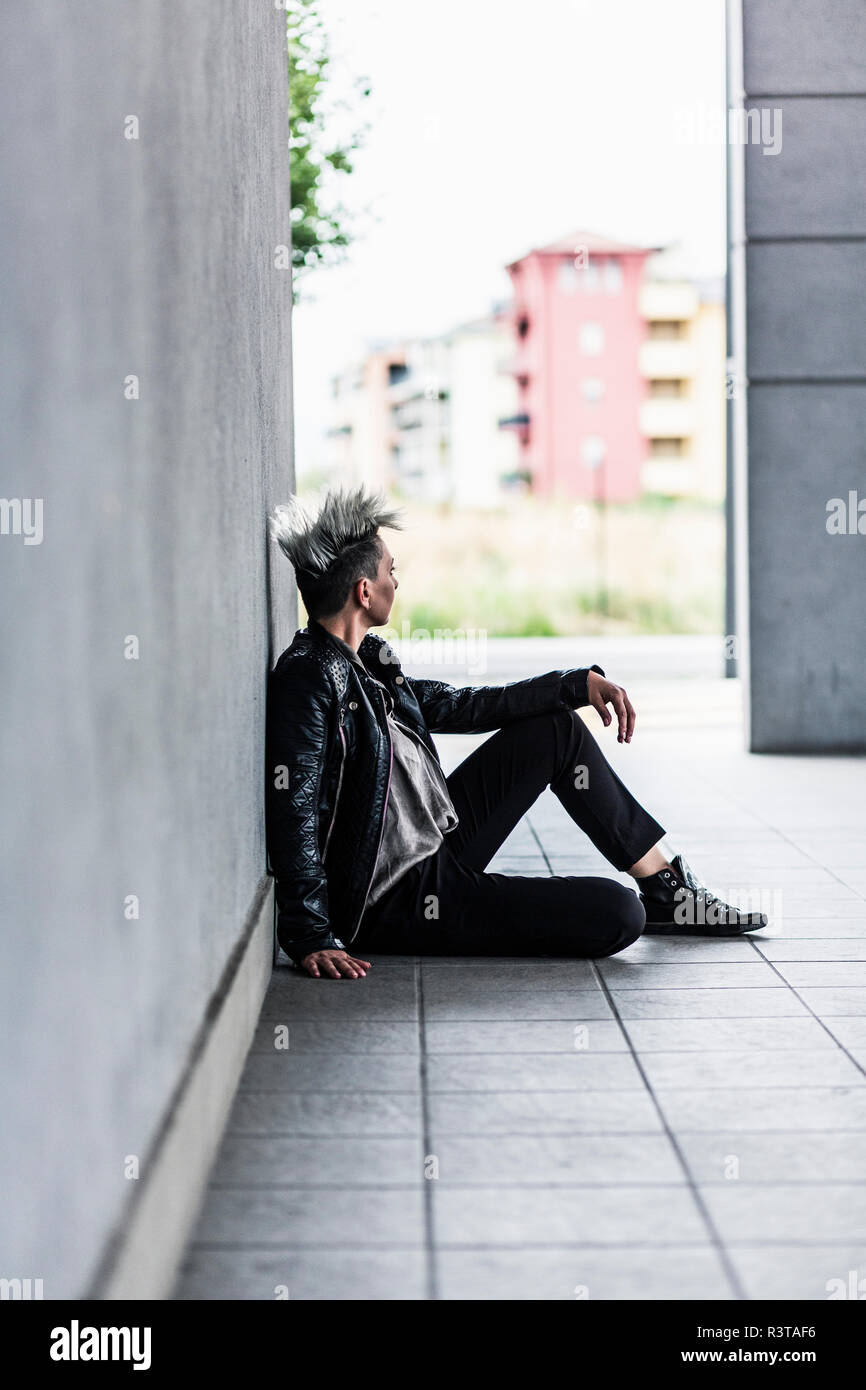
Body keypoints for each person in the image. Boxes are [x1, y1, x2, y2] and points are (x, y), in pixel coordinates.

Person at [266, 484, 767, 980]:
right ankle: (644, 904)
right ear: (364, 591)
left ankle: (666, 890)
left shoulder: (368, 663)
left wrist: (574, 685)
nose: (398, 582)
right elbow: (294, 809)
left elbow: (464, 705)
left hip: (432, 846)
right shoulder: (310, 677)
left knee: (556, 730)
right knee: (617, 915)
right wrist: (310, 932)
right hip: (395, 897)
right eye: (391, 572)